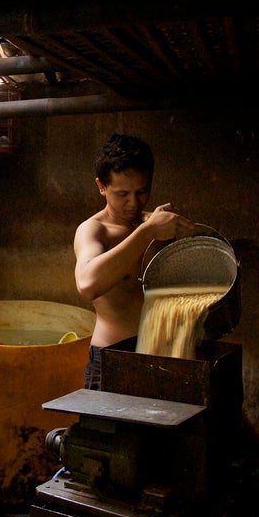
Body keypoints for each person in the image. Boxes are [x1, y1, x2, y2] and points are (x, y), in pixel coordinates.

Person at [73, 134, 200, 390]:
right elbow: (87, 284)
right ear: (101, 186)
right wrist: (146, 233)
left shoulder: (157, 224)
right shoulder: (94, 230)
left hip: (163, 356)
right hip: (112, 358)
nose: (133, 202)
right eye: (123, 194)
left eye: (142, 191)